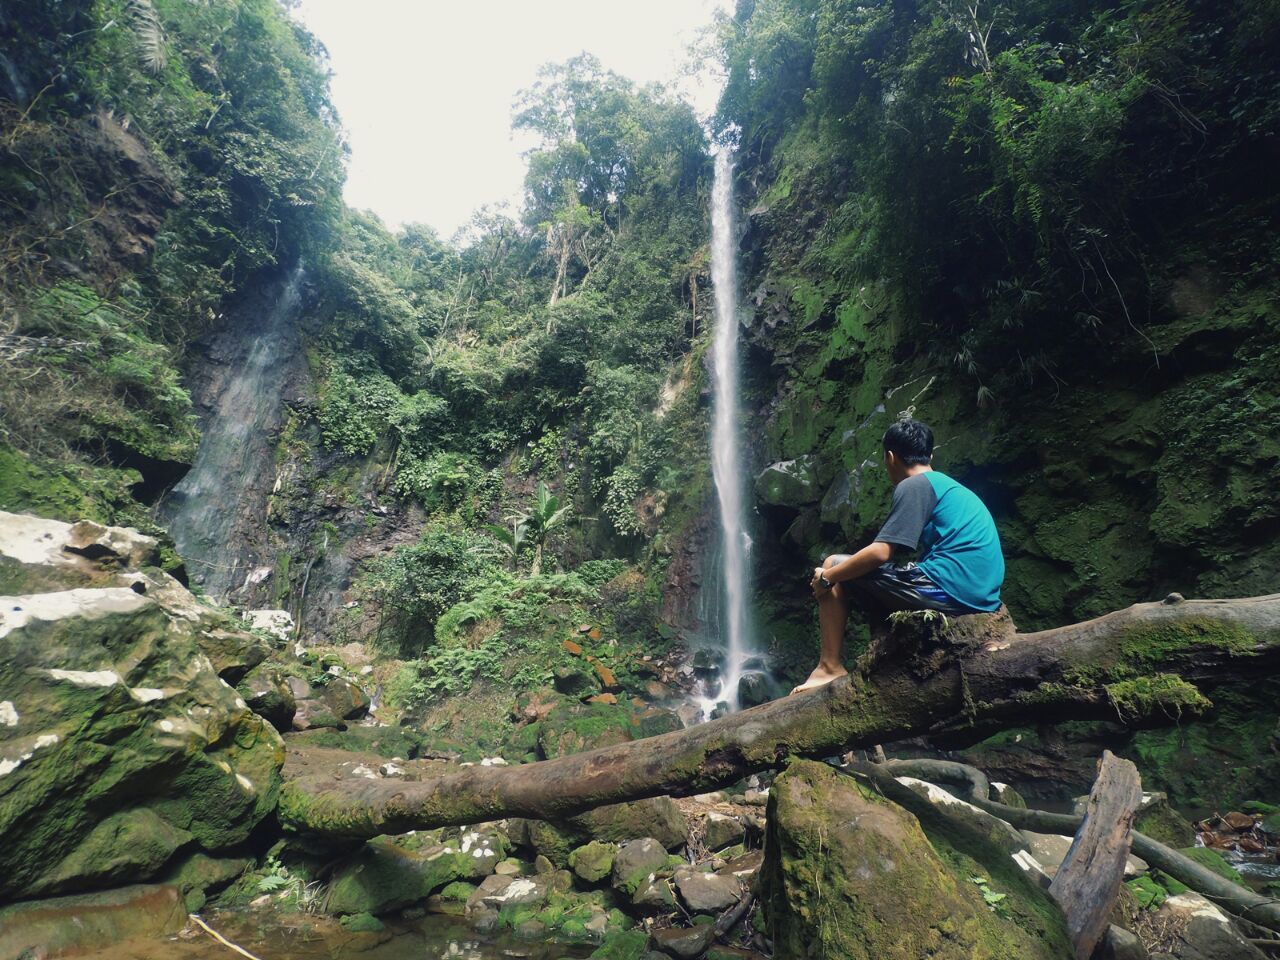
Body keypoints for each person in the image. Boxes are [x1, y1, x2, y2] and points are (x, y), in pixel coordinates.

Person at [790, 418, 1005, 695]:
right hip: (980, 594)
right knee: (870, 575)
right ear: (931, 455)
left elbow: (880, 552)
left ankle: (829, 666)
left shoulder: (914, 485)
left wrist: (827, 577)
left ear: (890, 458)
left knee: (834, 564)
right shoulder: (947, 486)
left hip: (952, 589)